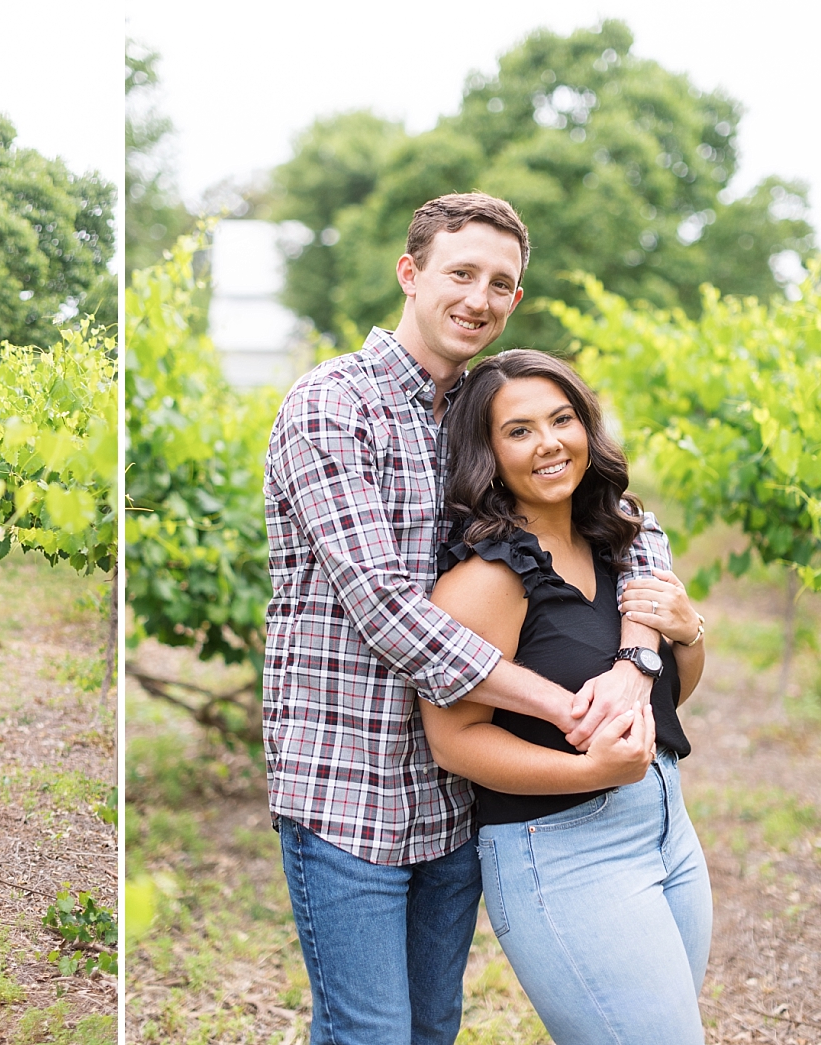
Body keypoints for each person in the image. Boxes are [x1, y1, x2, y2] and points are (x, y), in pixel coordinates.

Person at [262, 192, 672, 1043]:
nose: (479, 298)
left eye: (501, 283)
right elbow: (382, 603)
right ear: (411, 273)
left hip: (452, 794)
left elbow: (629, 521)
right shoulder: (334, 404)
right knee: (367, 1032)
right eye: (460, 273)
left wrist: (635, 661)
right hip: (351, 784)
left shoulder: (487, 412)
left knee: (433, 1027)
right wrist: (564, 707)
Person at [422, 350, 709, 1042]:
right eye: (519, 430)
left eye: (562, 418)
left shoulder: (616, 542)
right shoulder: (485, 581)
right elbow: (453, 739)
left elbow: (666, 696)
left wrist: (689, 632)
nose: (549, 442)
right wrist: (588, 771)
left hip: (668, 829)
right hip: (564, 852)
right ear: (486, 454)